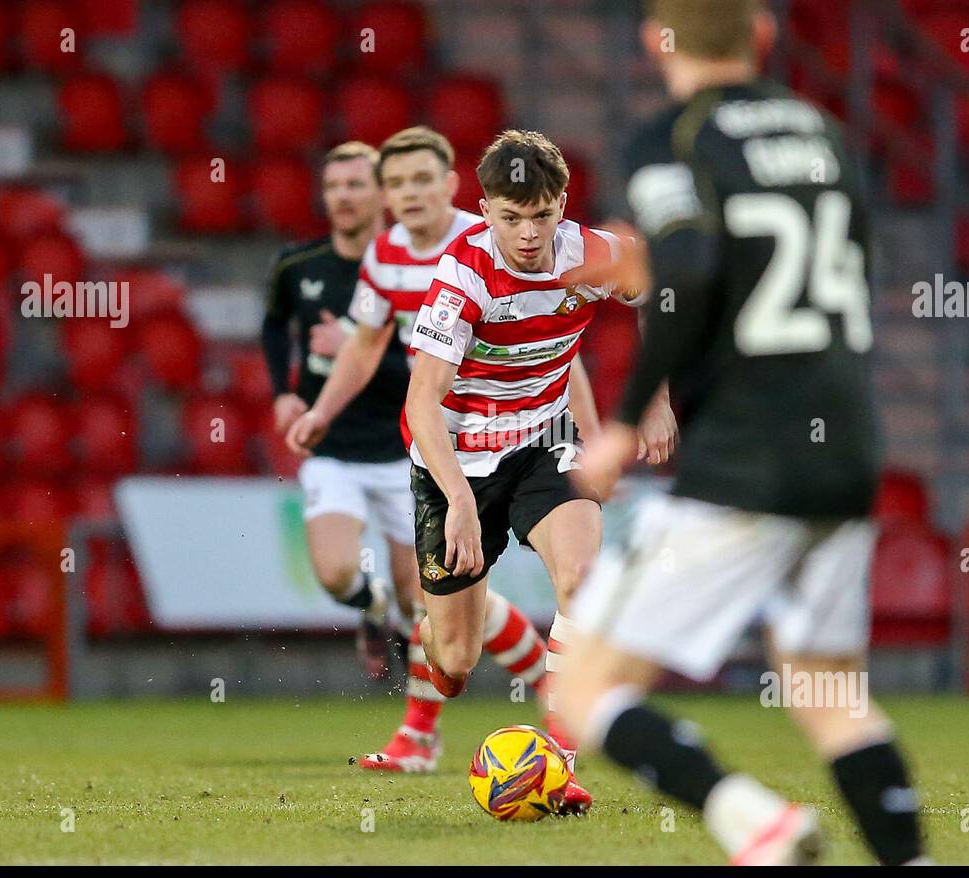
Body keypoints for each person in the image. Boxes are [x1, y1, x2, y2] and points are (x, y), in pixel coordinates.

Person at [557, 0, 930, 865]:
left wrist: (624, 419)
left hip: (748, 454)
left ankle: (752, 822)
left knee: (585, 687)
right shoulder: (825, 131)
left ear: (657, 42)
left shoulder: (674, 138)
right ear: (761, 36)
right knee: (830, 695)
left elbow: (687, 265)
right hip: (846, 445)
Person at [286, 128, 588, 779]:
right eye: (396, 184)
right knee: (448, 646)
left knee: (576, 578)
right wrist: (322, 411)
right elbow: (369, 349)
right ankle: (460, 689)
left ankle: (543, 741)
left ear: (454, 187)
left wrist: (603, 433)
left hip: (536, 434)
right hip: (442, 446)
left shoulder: (517, 229)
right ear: (384, 195)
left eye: (423, 179)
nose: (410, 194)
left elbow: (561, 340)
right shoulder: (388, 257)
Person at [398, 129, 679, 813]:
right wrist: (460, 501)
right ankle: (458, 619)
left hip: (542, 442)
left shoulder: (591, 253)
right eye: (509, 217)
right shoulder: (461, 277)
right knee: (455, 662)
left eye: (542, 214)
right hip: (454, 460)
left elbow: (658, 291)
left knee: (583, 581)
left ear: (563, 205)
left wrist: (657, 399)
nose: (528, 234)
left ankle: (561, 762)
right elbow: (420, 403)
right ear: (486, 210)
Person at [262, 141, 414, 681]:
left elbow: (432, 366)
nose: (342, 197)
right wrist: (284, 390)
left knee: (419, 603)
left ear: (382, 194)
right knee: (335, 574)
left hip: (406, 451)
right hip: (334, 449)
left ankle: (416, 735)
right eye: (333, 187)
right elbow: (276, 325)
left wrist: (352, 343)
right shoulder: (298, 265)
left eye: (355, 185)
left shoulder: (412, 271)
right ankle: (371, 608)